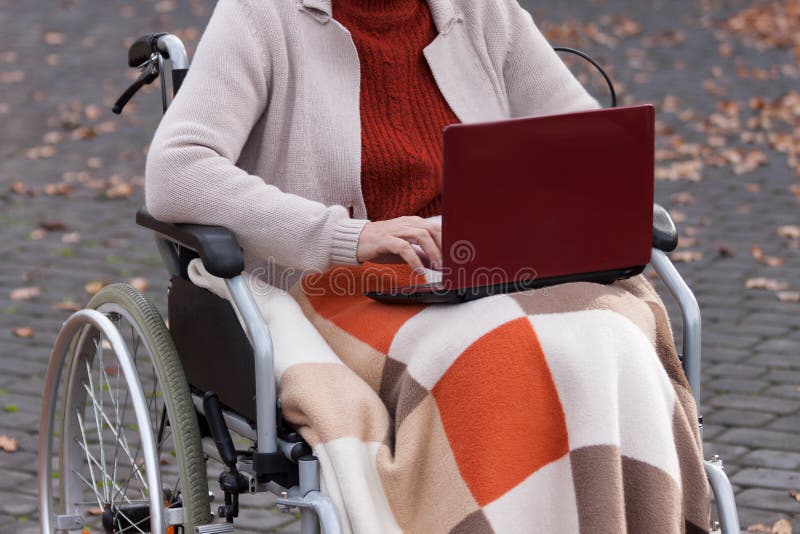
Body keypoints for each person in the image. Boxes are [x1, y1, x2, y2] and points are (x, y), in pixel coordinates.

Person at [146, 1, 709, 532]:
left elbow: (586, 142)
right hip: (340, 277)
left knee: (612, 338)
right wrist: (350, 236)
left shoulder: (481, 11)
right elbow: (177, 170)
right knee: (495, 355)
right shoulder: (264, 14)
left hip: (492, 265)